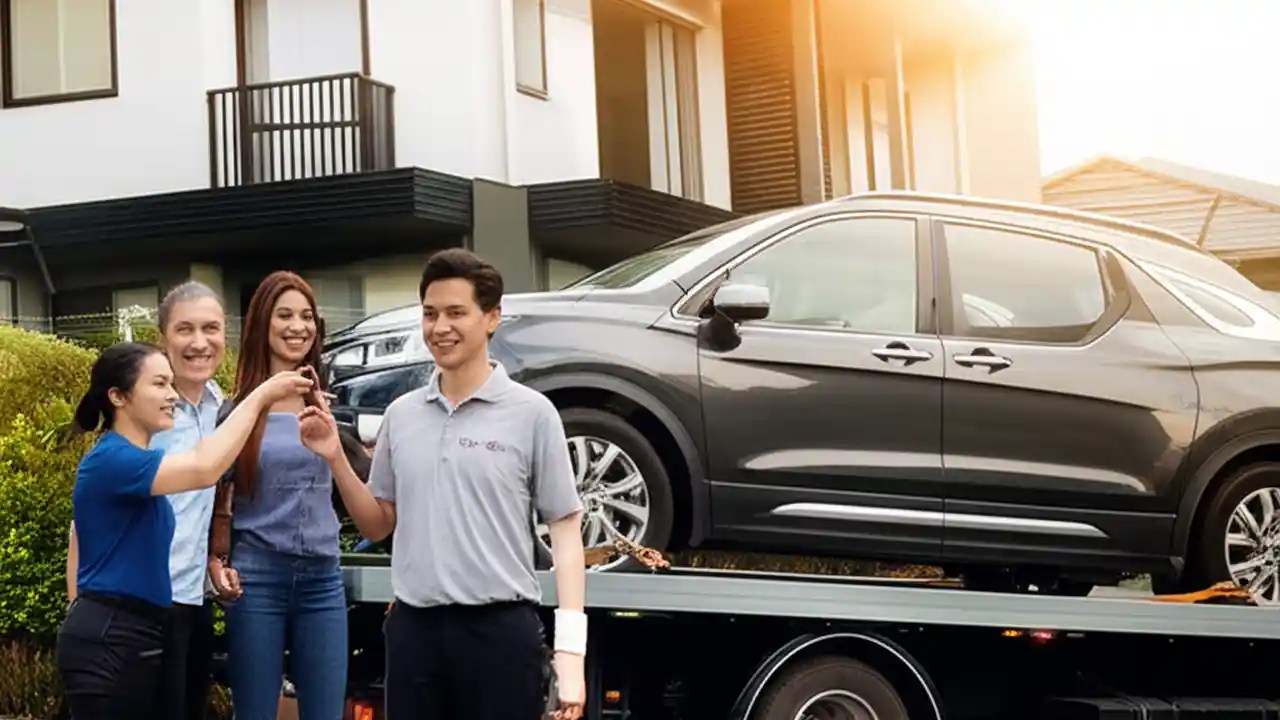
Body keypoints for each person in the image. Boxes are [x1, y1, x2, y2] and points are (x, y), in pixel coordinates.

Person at [297, 248, 588, 719]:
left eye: (457, 313)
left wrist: (571, 652)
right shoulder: (402, 414)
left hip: (500, 633)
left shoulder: (533, 414)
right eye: (430, 314)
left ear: (492, 318)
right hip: (414, 633)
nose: (439, 327)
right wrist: (335, 457)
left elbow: (567, 534)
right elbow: (377, 525)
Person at [57, 342, 312, 720]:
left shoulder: (139, 465)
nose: (172, 396)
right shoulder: (113, 460)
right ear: (118, 396)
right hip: (113, 635)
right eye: (159, 384)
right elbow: (204, 467)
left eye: (171, 384)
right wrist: (261, 396)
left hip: (138, 630)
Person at [67, 281, 232, 720]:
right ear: (163, 336)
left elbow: (209, 502)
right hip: (129, 618)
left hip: (191, 602)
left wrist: (217, 560)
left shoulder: (223, 411)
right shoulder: (146, 418)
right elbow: (84, 529)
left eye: (211, 328)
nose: (200, 342)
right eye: (185, 329)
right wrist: (81, 613)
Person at [206, 271, 349, 720]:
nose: (298, 326)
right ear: (261, 325)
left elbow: (362, 488)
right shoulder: (238, 410)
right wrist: (215, 557)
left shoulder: (327, 405)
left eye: (307, 316)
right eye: (284, 315)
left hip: (323, 578)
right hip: (257, 579)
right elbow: (209, 488)